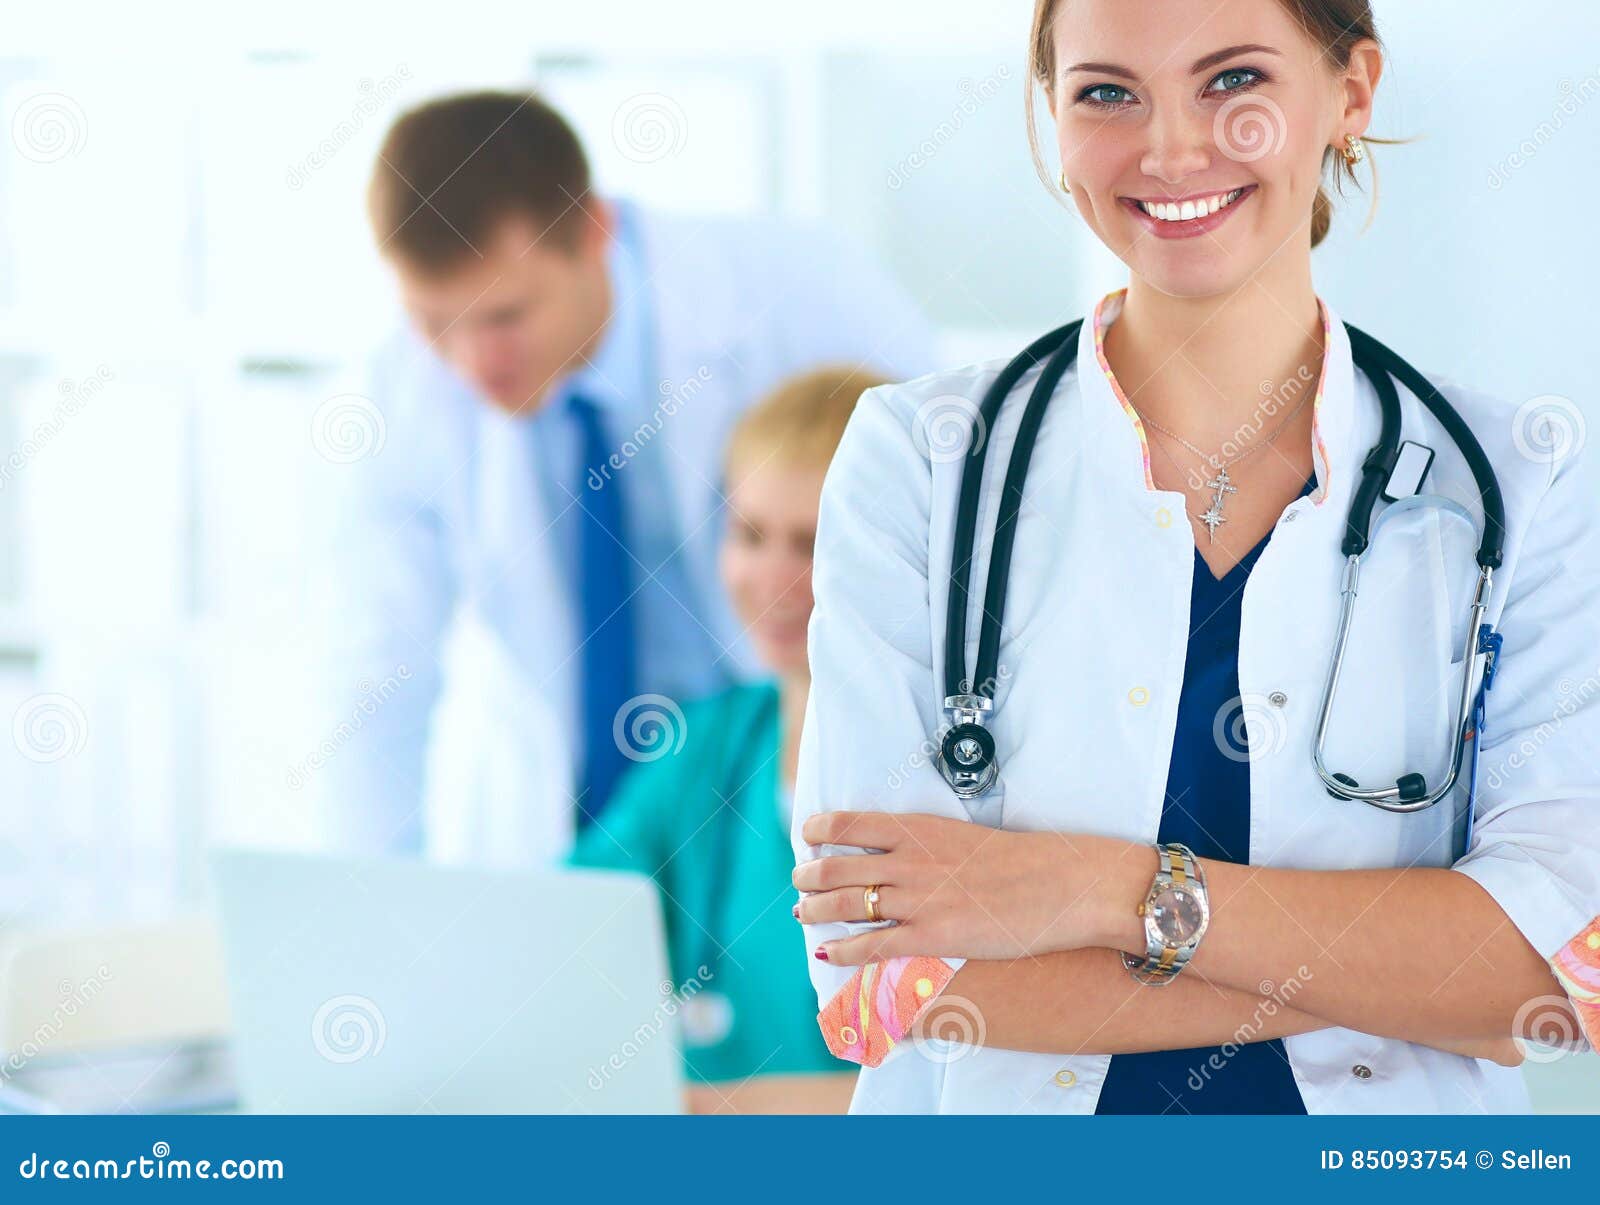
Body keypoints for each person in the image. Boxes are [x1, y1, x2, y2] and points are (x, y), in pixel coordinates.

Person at [789, 0, 1600, 1114]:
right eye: (1106, 93)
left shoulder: (1521, 480)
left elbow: (1561, 970)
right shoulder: (921, 461)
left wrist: (1103, 889)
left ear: (1352, 91)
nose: (1169, 150)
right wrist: (1417, 970)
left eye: (1233, 82)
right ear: (1053, 117)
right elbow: (884, 974)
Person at [310, 91, 934, 858]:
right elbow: (377, 673)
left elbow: (954, 549)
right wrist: (374, 900)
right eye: (436, 322)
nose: (473, 362)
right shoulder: (404, 391)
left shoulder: (806, 294)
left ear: (593, 230)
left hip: (786, 790)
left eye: (506, 317)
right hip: (581, 819)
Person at [566, 366, 884, 1114]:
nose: (773, 579)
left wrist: (698, 1112)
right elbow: (558, 932)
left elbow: (955, 1098)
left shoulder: (955, 782)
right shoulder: (704, 748)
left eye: (812, 544)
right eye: (750, 535)